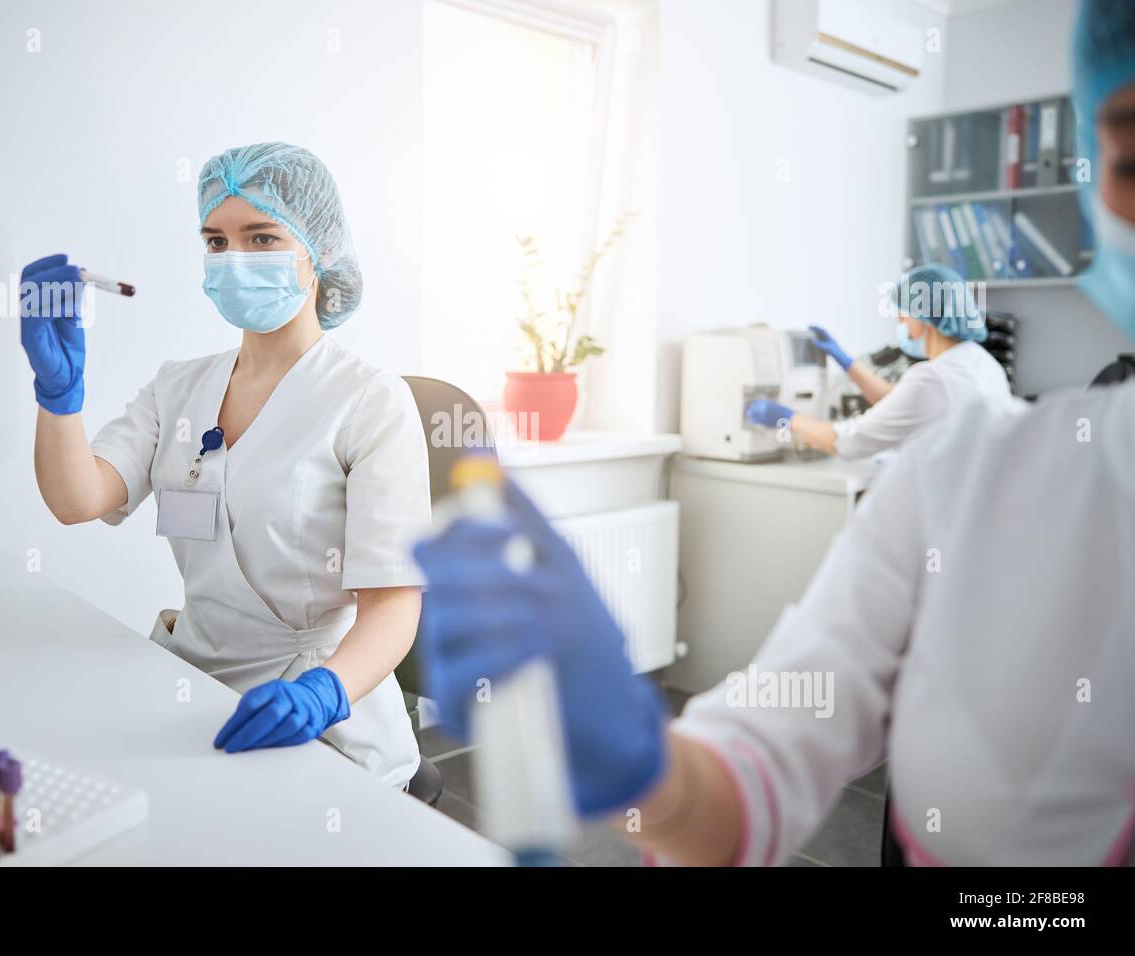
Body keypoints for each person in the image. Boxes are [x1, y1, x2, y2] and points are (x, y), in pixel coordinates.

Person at [412, 0, 1135, 864]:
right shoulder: (967, 461)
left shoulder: (947, 390)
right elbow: (759, 763)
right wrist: (653, 776)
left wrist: (782, 415)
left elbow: (853, 435)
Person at [20, 142, 428, 789]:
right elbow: (77, 499)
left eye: (262, 238)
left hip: (323, 714)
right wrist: (58, 395)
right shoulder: (178, 388)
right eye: (216, 241)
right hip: (190, 685)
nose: (235, 260)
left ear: (318, 251)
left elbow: (393, 604)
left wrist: (323, 693)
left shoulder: (369, 400)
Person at [744, 263, 1011, 459]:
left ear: (925, 315)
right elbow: (901, 402)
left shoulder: (933, 378)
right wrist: (847, 363)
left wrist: (784, 418)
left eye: (904, 313)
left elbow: (847, 440)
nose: (899, 321)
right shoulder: (984, 364)